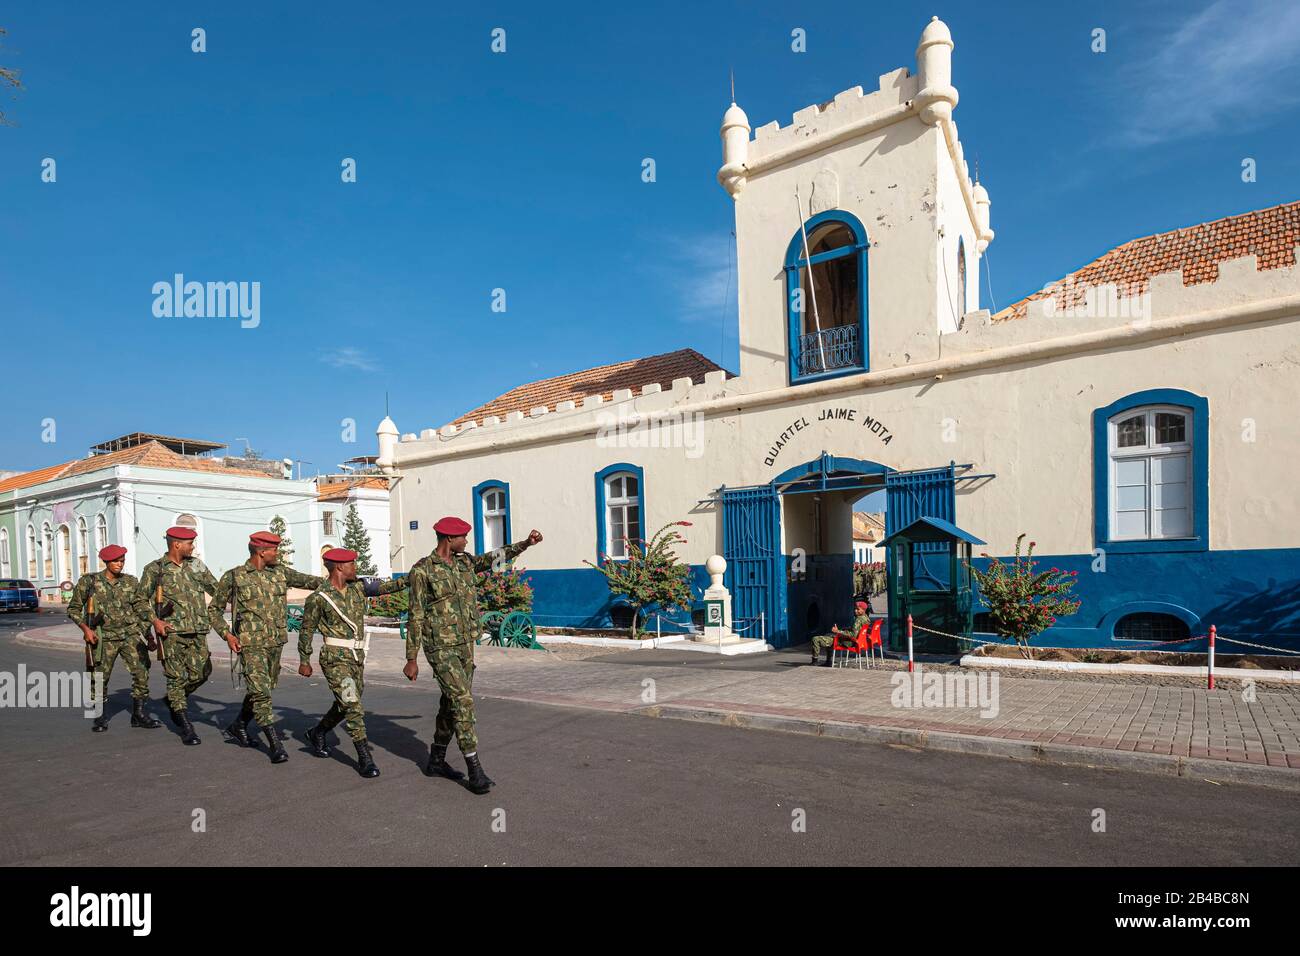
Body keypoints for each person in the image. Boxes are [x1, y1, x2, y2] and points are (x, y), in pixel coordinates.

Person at [402, 516, 542, 794]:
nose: (467, 541)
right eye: (463, 537)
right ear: (448, 539)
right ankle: (474, 768)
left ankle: (437, 760)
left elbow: (494, 558)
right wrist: (411, 658)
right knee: (463, 702)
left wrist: (526, 544)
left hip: (465, 645)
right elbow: (416, 615)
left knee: (450, 703)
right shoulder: (423, 570)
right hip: (439, 647)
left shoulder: (465, 563)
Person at [209, 530, 325, 762]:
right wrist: (228, 636)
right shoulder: (235, 576)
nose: (277, 553)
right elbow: (213, 610)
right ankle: (274, 745)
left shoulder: (280, 573)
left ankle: (239, 725)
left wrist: (339, 580)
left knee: (262, 688)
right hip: (250, 645)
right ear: (261, 552)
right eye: (274, 549)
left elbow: (310, 581)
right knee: (261, 693)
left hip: (275, 643)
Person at [298, 547, 406, 778]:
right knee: (353, 705)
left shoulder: (358, 588)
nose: (355, 568)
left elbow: (387, 587)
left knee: (345, 702)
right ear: (339, 567)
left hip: (356, 657)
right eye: (351, 565)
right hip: (334, 658)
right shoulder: (319, 598)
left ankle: (318, 732)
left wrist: (413, 576)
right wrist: (304, 659)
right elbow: (306, 629)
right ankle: (365, 758)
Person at [67, 545, 162, 732]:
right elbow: (73, 609)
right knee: (100, 677)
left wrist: (148, 636)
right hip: (104, 637)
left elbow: (140, 610)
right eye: (115, 561)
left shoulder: (131, 582)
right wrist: (86, 629)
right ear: (106, 562)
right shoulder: (90, 582)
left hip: (130, 635)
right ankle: (100, 716)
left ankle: (139, 714)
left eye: (122, 561)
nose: (119, 564)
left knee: (141, 672)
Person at [138, 526, 218, 746]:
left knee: (203, 671)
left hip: (198, 629)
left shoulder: (197, 566)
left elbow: (216, 590)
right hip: (171, 632)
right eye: (190, 543)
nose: (193, 547)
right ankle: (185, 726)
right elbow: (139, 599)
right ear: (177, 545)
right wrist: (155, 621)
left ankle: (173, 699)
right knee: (175, 678)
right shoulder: (155, 569)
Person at [810, 600, 873, 666]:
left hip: (847, 642)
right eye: (855, 608)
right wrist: (846, 629)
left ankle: (815, 661)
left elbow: (853, 635)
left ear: (863, 610)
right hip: (857, 641)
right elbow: (856, 630)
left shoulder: (858, 620)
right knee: (828, 635)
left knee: (815, 639)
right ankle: (828, 661)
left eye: (858, 609)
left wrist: (838, 631)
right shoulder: (866, 618)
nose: (855, 610)